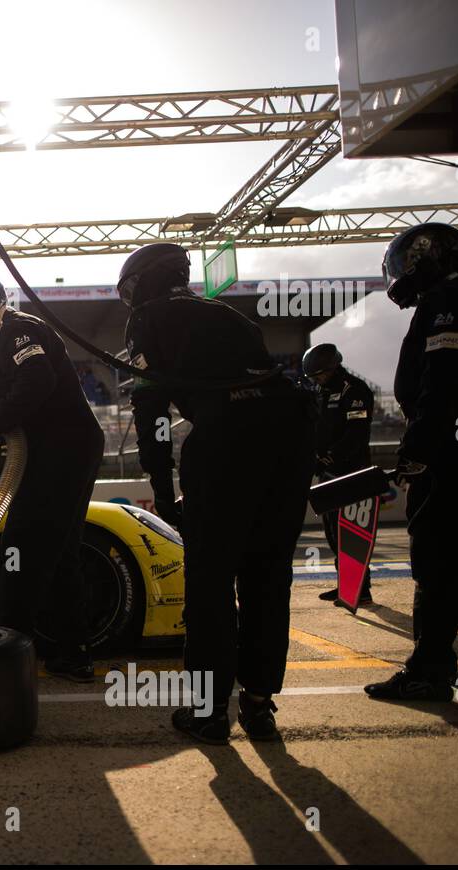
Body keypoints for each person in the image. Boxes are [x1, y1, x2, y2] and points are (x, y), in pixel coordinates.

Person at [118, 243, 315, 743]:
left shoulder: (148, 318)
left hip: (225, 443)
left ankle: (208, 713)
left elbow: (151, 411)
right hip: (287, 441)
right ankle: (259, 705)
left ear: (141, 283)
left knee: (210, 584)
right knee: (268, 578)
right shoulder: (231, 316)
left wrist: (162, 488)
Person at [366, 223, 458, 702]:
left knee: (438, 555)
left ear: (422, 259)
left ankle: (428, 671)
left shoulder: (446, 301)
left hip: (456, 446)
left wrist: (418, 448)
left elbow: (443, 381)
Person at [0, 269, 106, 681]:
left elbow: (37, 380)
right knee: (61, 553)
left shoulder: (17, 329)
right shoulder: (7, 337)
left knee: (20, 546)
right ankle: (74, 652)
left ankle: (10, 654)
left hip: (62, 451)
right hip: (70, 447)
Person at [302, 342, 375, 603]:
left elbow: (357, 433)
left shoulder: (355, 390)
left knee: (351, 534)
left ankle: (360, 589)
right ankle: (347, 584)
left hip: (352, 473)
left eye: (319, 375)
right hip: (328, 474)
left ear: (333, 368)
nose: (316, 380)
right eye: (312, 377)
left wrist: (331, 457)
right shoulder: (321, 391)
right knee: (333, 533)